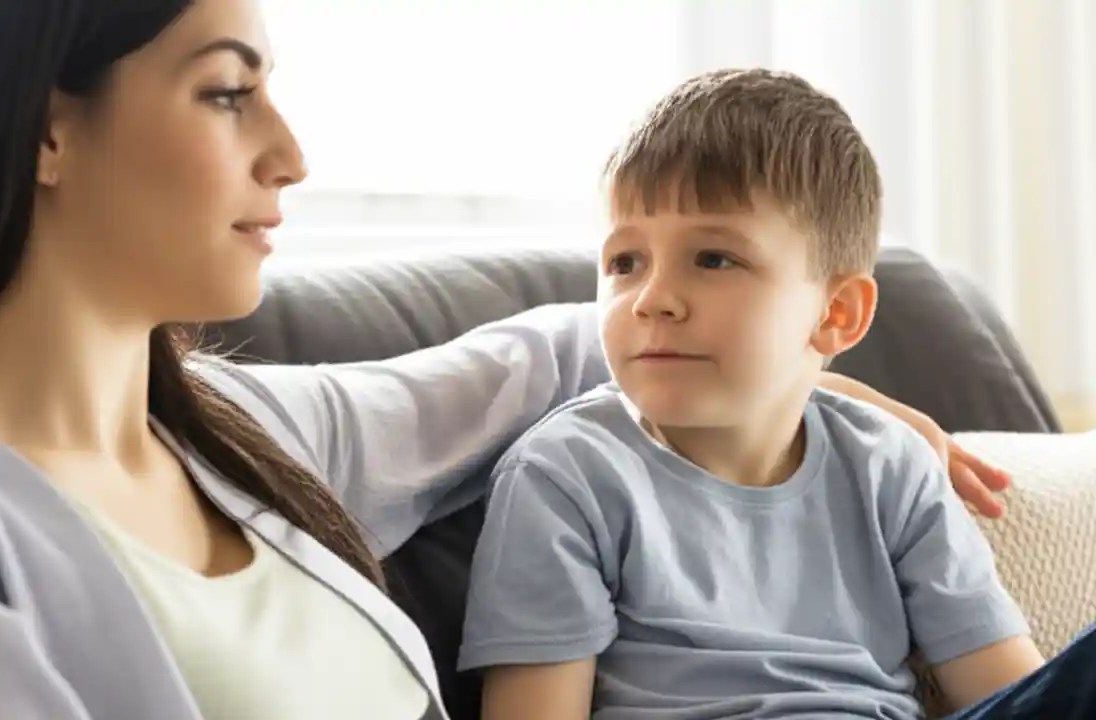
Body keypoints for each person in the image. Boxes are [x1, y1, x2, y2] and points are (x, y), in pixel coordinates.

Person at [0, 3, 1011, 720]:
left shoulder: (250, 438)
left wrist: (800, 376)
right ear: (45, 126)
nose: (290, 153)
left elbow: (548, 354)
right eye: (227, 92)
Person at [457, 68, 1096, 720]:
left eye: (713, 259)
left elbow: (1018, 697)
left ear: (836, 313)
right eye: (625, 262)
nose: (652, 299)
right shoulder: (566, 474)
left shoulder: (891, 466)